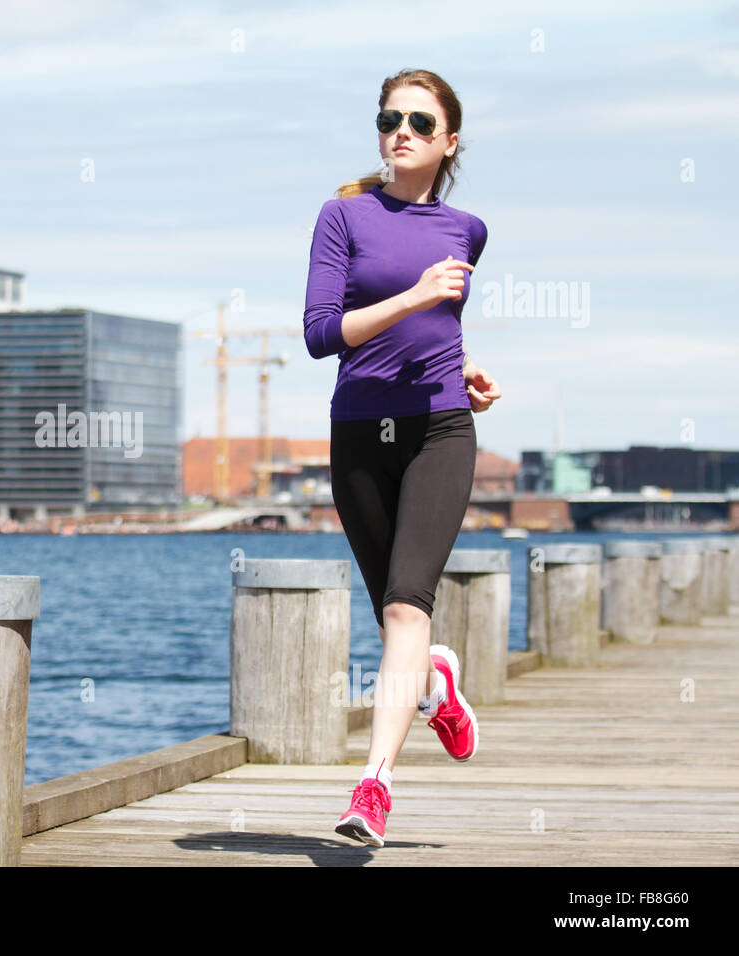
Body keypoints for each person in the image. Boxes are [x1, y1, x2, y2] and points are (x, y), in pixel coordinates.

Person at [302, 69, 503, 848]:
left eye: (421, 121)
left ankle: (373, 785)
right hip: (359, 430)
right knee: (399, 620)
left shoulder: (468, 229)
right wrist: (415, 298)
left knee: (402, 607)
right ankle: (437, 680)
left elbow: (437, 331)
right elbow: (323, 333)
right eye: (391, 118)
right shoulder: (342, 217)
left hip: (440, 431)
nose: (402, 131)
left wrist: (466, 371)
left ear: (449, 141)